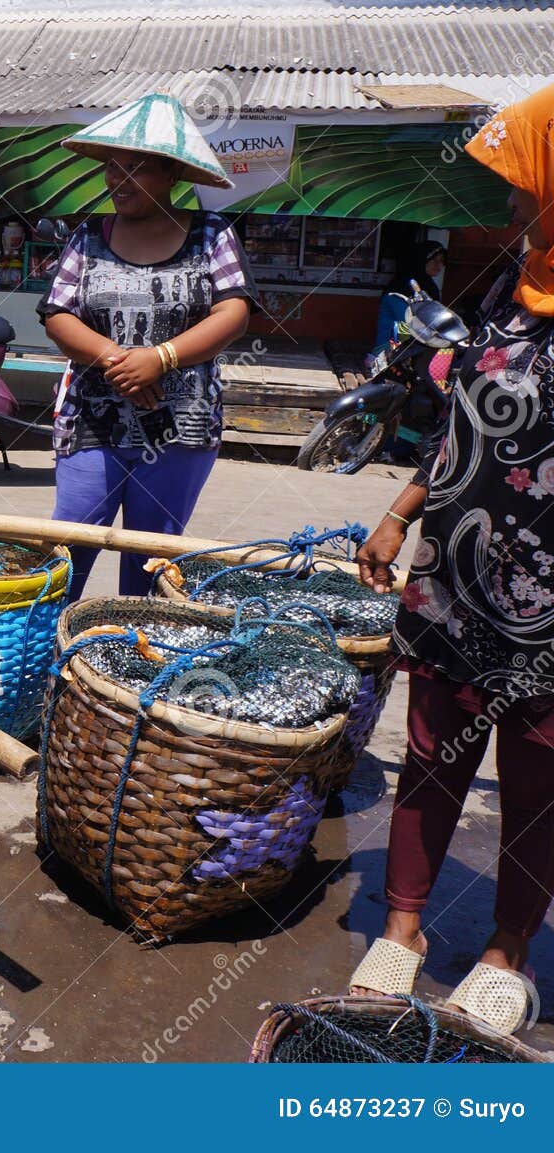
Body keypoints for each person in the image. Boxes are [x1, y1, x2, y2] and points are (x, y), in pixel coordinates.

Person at [349, 84, 554, 1036]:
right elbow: (459, 430)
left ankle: (509, 949)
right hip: (454, 579)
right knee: (431, 755)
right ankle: (403, 926)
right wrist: (398, 514)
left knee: (538, 777)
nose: (508, 200)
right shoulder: (514, 290)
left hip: (546, 602)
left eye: (523, 182)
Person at [38, 94, 256, 598]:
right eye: (113, 167)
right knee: (66, 554)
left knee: (151, 564)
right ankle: (47, 648)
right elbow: (57, 314)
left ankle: (130, 647)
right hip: (93, 424)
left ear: (172, 173)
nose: (119, 180)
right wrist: (120, 363)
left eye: (136, 169)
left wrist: (161, 358)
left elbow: (234, 313)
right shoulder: (89, 235)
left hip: (180, 431)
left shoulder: (212, 235)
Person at [370, 241, 447, 366]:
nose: (438, 265)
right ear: (421, 261)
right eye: (433, 260)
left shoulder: (429, 288)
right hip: (388, 355)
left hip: (413, 351)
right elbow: (410, 323)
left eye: (441, 261)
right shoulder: (399, 290)